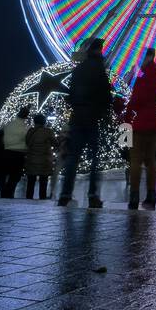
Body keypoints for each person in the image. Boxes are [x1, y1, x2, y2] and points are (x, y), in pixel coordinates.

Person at [57, 36, 113, 208]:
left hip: (77, 117)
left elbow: (70, 94)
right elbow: (106, 96)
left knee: (73, 157)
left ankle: (65, 194)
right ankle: (93, 195)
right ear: (99, 51)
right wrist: (103, 112)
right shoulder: (99, 70)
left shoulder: (79, 69)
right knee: (95, 158)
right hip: (93, 118)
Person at [122, 48, 156, 211]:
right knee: (150, 160)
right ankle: (151, 195)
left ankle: (134, 196)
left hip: (141, 121)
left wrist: (127, 117)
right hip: (155, 121)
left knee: (135, 160)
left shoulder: (142, 77)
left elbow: (135, 99)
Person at [0, 105, 30, 198]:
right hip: (18, 153)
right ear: (26, 116)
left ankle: (4, 190)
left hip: (6, 152)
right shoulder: (25, 127)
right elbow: (27, 140)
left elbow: (2, 137)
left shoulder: (9, 124)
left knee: (5, 174)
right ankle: (9, 192)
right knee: (15, 176)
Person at [24, 114, 56, 199]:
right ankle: (42, 201)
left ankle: (28, 200)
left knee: (30, 183)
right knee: (43, 182)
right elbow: (55, 143)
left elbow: (27, 142)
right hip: (44, 161)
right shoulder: (48, 131)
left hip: (32, 160)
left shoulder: (30, 131)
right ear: (44, 122)